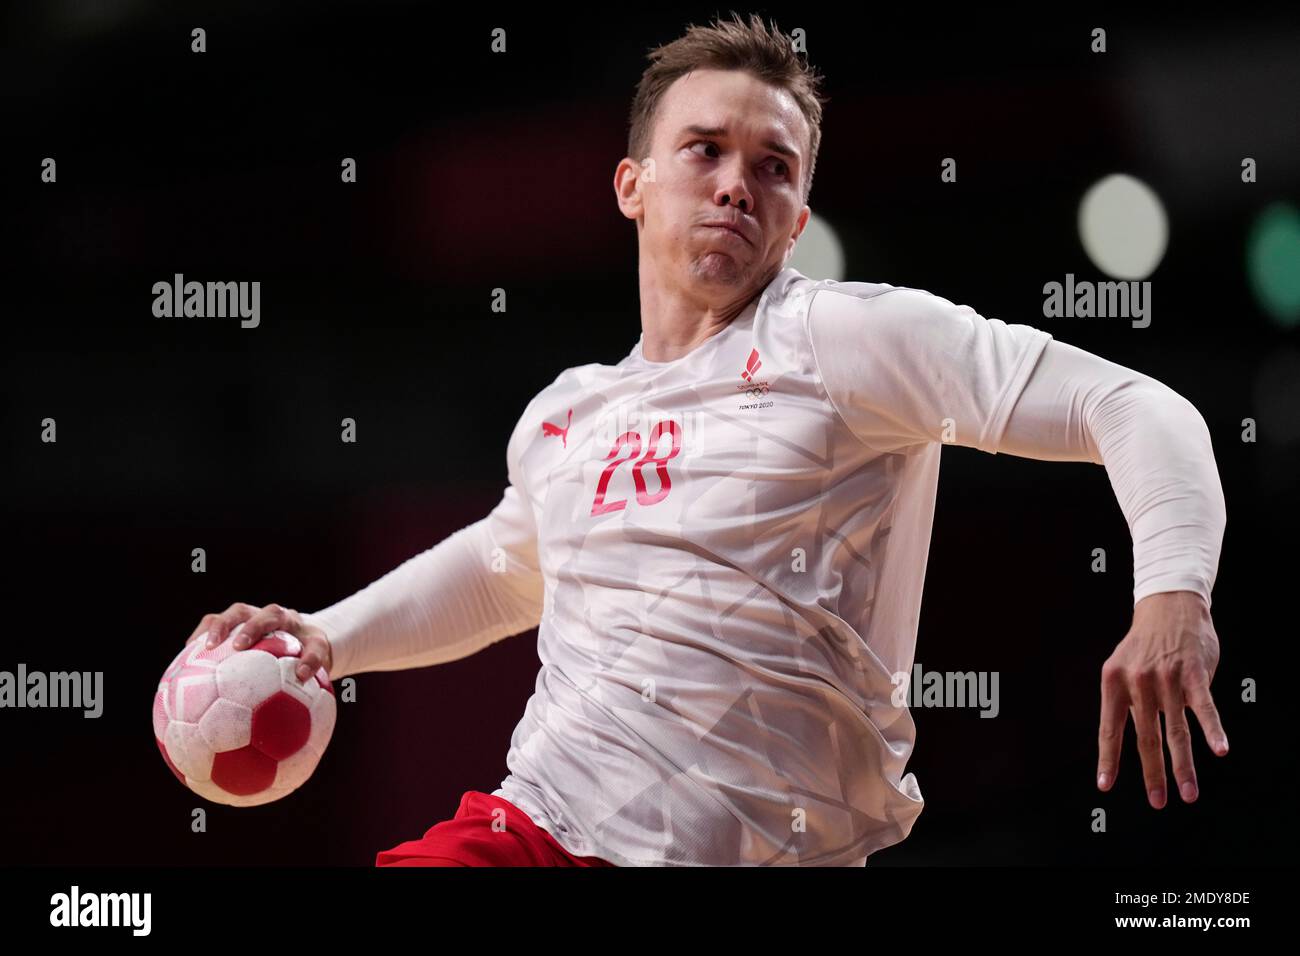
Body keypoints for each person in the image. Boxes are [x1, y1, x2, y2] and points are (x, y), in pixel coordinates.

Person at [188, 13, 1228, 866]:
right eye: (706, 150)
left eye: (772, 166)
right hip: (547, 833)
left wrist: (1171, 596)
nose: (738, 182)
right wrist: (329, 634)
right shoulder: (568, 411)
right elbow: (510, 567)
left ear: (795, 214)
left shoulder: (845, 337)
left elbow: (1140, 408)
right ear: (633, 184)